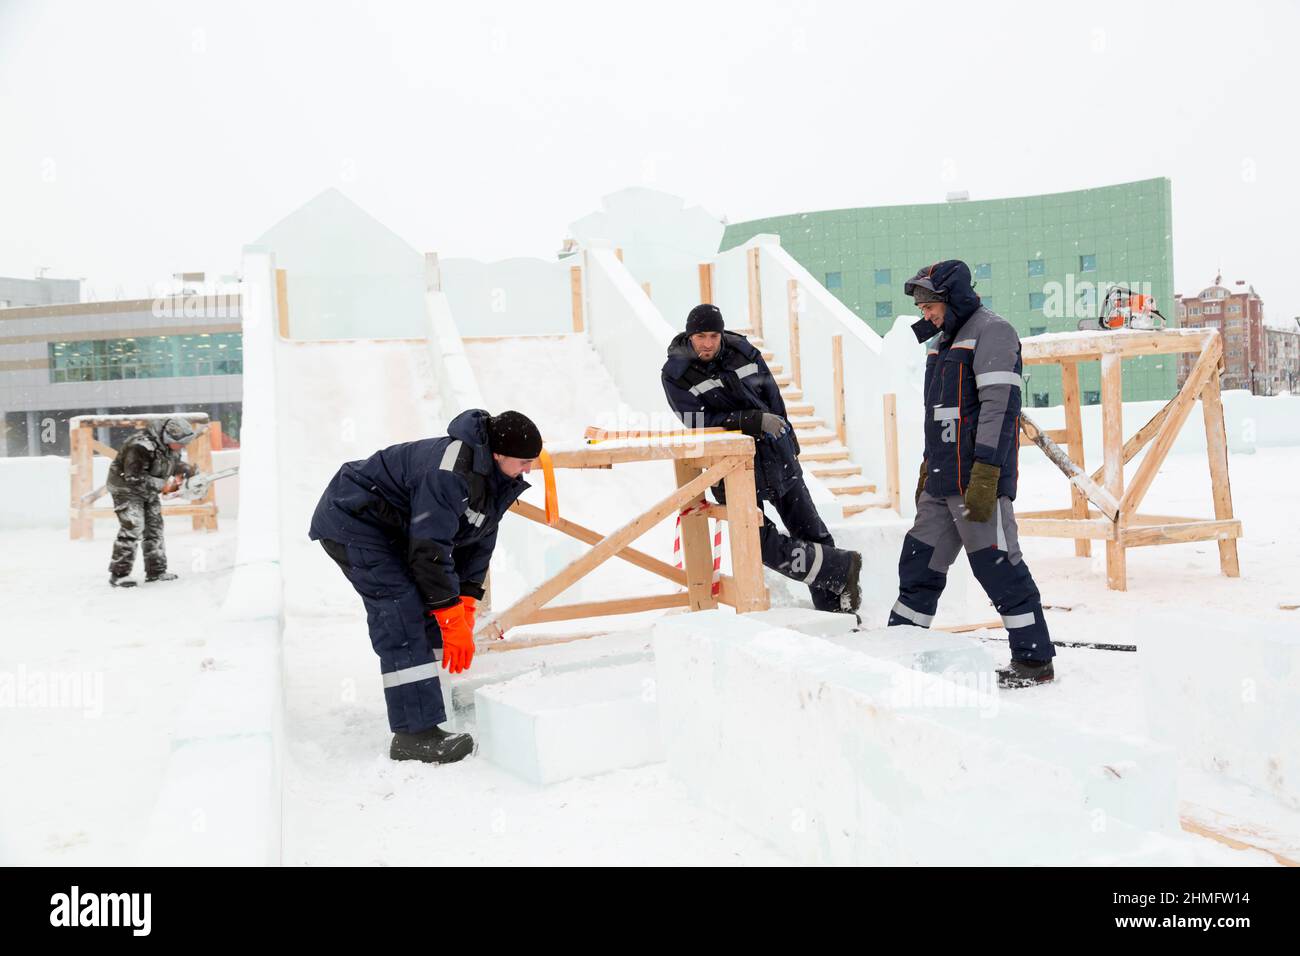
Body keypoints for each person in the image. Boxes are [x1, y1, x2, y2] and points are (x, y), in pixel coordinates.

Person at [309, 409, 540, 763]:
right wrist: (449, 615)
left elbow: (477, 541)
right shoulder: (450, 473)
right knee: (400, 609)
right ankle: (413, 734)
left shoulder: (495, 479)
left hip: (398, 527)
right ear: (498, 454)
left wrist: (464, 602)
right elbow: (431, 549)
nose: (529, 470)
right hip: (355, 518)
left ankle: (437, 694)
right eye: (524, 462)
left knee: (430, 603)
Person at [888, 260, 1057, 688]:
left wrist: (986, 475)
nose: (924, 314)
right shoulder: (941, 342)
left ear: (952, 298)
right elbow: (938, 415)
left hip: (976, 479)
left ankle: (1034, 661)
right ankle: (895, 652)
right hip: (942, 480)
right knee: (918, 566)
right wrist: (928, 467)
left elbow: (1000, 409)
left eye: (930, 306)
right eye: (922, 307)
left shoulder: (992, 332)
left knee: (998, 568)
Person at [662, 303, 862, 615]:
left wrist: (788, 440)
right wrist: (751, 420)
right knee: (756, 542)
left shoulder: (743, 351)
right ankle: (840, 569)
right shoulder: (676, 374)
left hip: (775, 455)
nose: (707, 343)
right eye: (700, 336)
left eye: (713, 336)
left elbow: (773, 398)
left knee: (812, 533)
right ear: (690, 336)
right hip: (730, 467)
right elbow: (698, 422)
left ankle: (836, 611)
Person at [106, 417, 198, 587]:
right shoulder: (139, 446)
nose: (183, 447)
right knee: (133, 526)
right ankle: (119, 575)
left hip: (149, 489)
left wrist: (185, 469)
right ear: (170, 438)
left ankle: (156, 571)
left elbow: (170, 464)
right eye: (181, 443)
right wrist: (164, 485)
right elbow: (134, 476)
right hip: (126, 489)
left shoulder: (169, 447)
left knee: (154, 528)